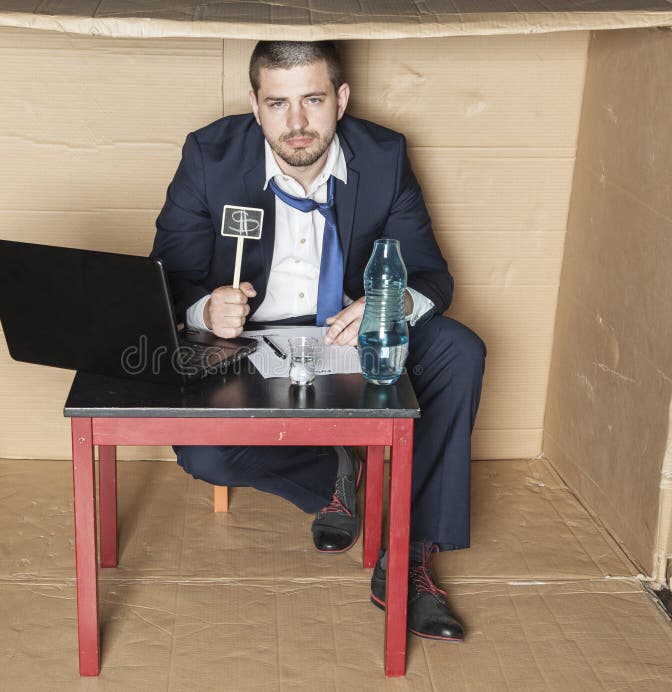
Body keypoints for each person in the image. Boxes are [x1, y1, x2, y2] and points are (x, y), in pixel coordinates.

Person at [151, 41, 486, 642]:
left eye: (312, 99)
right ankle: (333, 469)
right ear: (255, 106)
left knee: (459, 348)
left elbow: (434, 276)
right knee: (202, 454)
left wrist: (390, 305)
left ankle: (408, 556)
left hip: (349, 334)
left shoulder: (383, 157)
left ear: (341, 100)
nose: (297, 122)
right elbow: (164, 276)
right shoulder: (210, 156)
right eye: (278, 103)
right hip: (250, 343)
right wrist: (206, 308)